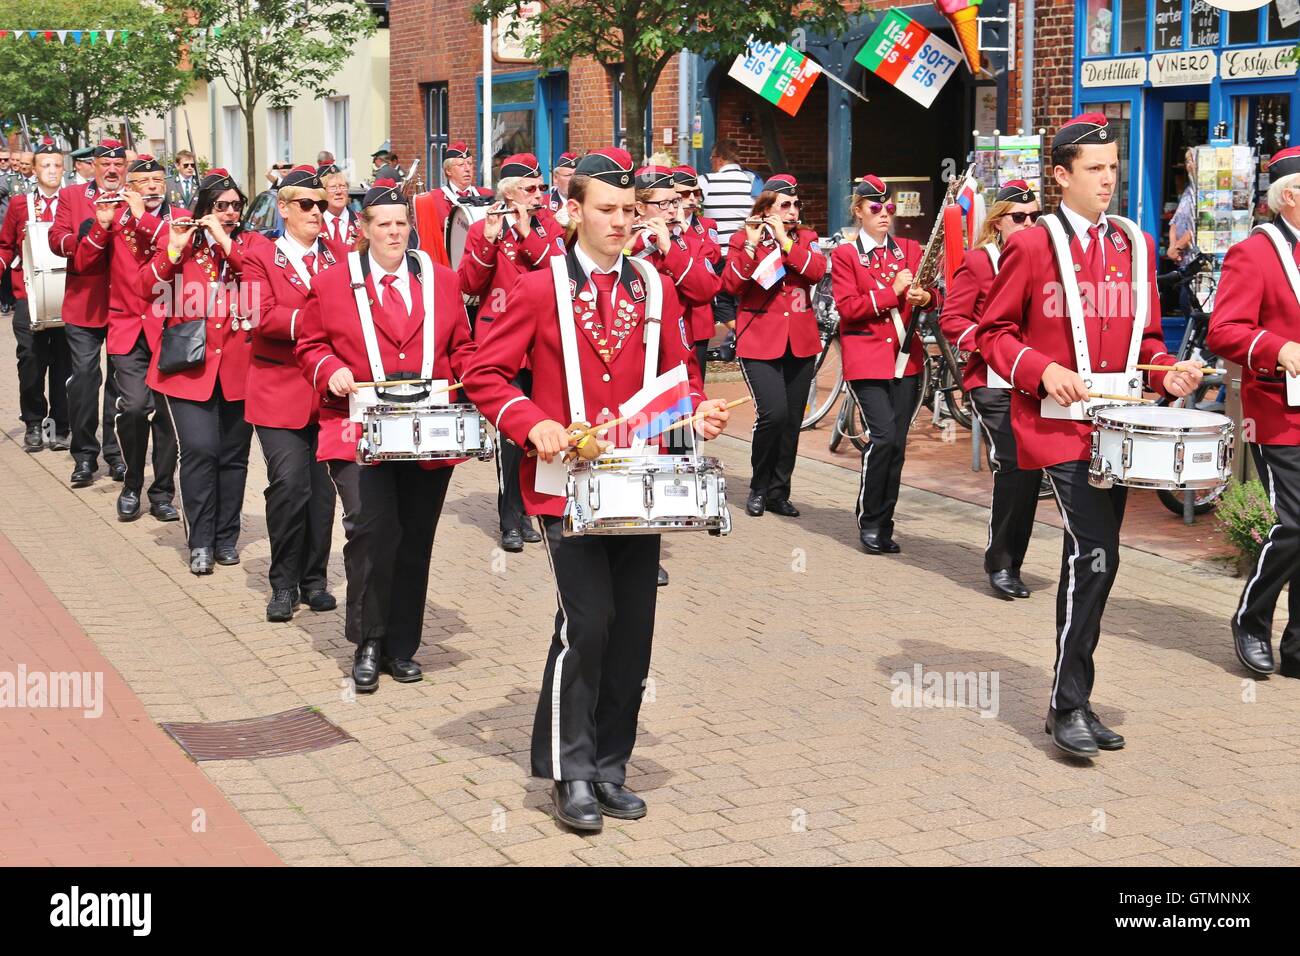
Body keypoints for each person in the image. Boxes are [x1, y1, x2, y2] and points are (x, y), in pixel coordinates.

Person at [463, 146, 731, 832]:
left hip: (638, 485)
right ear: (573, 210)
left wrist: (697, 409)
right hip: (562, 488)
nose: (621, 222)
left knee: (634, 629)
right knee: (586, 623)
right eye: (607, 210)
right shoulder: (536, 286)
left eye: (630, 211)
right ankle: (569, 770)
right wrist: (533, 423)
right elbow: (483, 371)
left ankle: (611, 764)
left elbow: (680, 374)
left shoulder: (654, 285)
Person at [978, 113, 1203, 757]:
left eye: (1113, 168)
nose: (1109, 180)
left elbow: (1149, 345)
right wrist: (1043, 370)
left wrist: (1170, 373)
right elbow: (990, 334)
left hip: (1121, 426)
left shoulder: (1134, 242)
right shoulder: (1030, 245)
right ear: (1061, 177)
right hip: (1056, 428)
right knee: (1095, 550)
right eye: (1095, 169)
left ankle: (1073, 695)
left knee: (1099, 561)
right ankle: (1067, 703)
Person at [293, 176, 476, 692]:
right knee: (371, 534)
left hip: (428, 432)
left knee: (415, 538)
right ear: (364, 228)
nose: (395, 233)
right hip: (358, 429)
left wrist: (469, 377)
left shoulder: (440, 279)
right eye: (384, 225)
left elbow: (461, 345)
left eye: (402, 224)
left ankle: (402, 646)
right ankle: (368, 641)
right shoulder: (332, 282)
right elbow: (309, 343)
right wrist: (329, 367)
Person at [139, 167, 267, 575]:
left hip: (237, 367)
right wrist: (174, 248)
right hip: (188, 368)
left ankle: (226, 537)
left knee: (233, 457)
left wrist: (226, 241)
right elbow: (147, 287)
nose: (228, 212)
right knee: (199, 452)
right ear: (204, 206)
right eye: (219, 206)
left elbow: (260, 284)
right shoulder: (183, 239)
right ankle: (200, 540)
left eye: (235, 205)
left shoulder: (251, 243)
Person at [1206, 145, 1300, 678]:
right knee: (1296, 523)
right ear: (1290, 197)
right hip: (1278, 410)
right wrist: (1277, 347)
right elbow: (1224, 331)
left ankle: (1298, 650)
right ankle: (1251, 617)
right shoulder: (1255, 253)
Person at [242, 166, 342, 622]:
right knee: (289, 485)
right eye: (306, 204)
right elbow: (261, 316)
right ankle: (283, 582)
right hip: (278, 389)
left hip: (327, 393)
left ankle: (314, 579)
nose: (316, 212)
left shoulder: (338, 256)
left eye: (321, 204)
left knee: (323, 492)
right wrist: (317, 324)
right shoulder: (259, 256)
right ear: (283, 209)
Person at [457, 152, 566, 553]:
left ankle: (533, 508)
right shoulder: (485, 227)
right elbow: (468, 283)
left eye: (541, 187)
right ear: (509, 192)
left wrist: (528, 233)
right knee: (510, 435)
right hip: (503, 341)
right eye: (531, 189)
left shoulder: (549, 225)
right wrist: (488, 240)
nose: (540, 195)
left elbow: (558, 271)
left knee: (545, 426)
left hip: (544, 343)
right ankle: (510, 517)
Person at [939, 180, 1042, 592]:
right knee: (1015, 462)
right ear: (998, 223)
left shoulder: (1045, 259)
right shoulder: (982, 262)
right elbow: (952, 319)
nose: (1029, 223)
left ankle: (1013, 558)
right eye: (1019, 217)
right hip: (994, 378)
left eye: (1036, 217)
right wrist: (989, 345)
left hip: (1034, 379)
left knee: (1032, 470)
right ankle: (1001, 564)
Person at [831, 175, 938, 554]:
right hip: (867, 360)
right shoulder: (845, 255)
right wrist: (889, 293)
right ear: (858, 211)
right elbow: (847, 309)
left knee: (898, 445)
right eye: (875, 208)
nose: (883, 214)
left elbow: (932, 293)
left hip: (906, 360)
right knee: (884, 438)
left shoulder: (908, 248)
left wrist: (926, 296)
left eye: (888, 207)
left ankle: (886, 522)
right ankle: (870, 520)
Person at [723, 174, 825, 519]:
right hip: (759, 340)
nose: (793, 211)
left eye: (797, 205)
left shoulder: (805, 239)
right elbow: (733, 283)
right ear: (766, 208)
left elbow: (816, 271)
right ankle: (759, 485)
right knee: (773, 414)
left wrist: (785, 240)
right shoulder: (743, 239)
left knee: (792, 419)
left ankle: (780, 491)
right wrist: (753, 246)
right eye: (785, 205)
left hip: (800, 341)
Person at [106, 153, 182, 522]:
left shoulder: (178, 219)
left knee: (168, 416)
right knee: (135, 408)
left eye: (157, 181)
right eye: (143, 183)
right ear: (129, 187)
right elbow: (85, 260)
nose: (152, 187)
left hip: (167, 330)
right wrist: (102, 223)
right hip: (126, 328)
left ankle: (163, 491)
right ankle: (132, 482)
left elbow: (172, 247)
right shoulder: (115, 218)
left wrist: (141, 216)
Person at [48, 138, 128, 488]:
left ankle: (116, 452)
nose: (112, 170)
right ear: (93, 166)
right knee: (84, 377)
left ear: (125, 167)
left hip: (126, 303)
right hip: (84, 302)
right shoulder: (73, 197)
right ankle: (83, 453)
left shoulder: (134, 198)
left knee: (120, 381)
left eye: (118, 165)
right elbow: (56, 237)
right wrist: (76, 243)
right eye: (105, 164)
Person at [0, 138, 71, 452]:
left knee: (64, 364)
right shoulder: (20, 204)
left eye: (57, 164)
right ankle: (33, 421)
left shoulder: (73, 199)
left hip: (68, 294)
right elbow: (5, 245)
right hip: (29, 293)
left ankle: (60, 424)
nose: (52, 170)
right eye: (46, 165)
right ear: (34, 169)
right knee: (30, 360)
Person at [701, 139, 756, 342]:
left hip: (720, 253)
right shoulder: (752, 179)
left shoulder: (706, 181)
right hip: (745, 251)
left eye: (712, 158)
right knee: (745, 297)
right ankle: (745, 334)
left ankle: (743, 335)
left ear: (720, 159)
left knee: (720, 301)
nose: (711, 162)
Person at [672, 164, 723, 374]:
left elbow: (711, 256)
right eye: (685, 193)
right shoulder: (661, 224)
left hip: (698, 315)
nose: (692, 198)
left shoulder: (707, 225)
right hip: (672, 310)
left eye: (696, 192)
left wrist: (687, 231)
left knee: (696, 378)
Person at [318, 164, 359, 246]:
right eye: (333, 187)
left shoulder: (363, 222)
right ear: (322, 192)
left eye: (343, 186)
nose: (339, 192)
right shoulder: (314, 222)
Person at [548, 151, 579, 220]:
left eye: (577, 175)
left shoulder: (588, 203)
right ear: (555, 178)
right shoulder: (544, 205)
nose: (573, 180)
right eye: (568, 175)